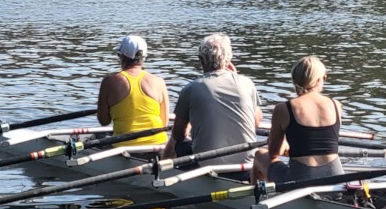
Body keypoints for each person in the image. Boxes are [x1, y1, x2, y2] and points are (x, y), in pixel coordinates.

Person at [163, 33, 263, 175]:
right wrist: (236, 76)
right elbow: (256, 121)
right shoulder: (247, 83)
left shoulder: (191, 89)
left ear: (202, 60)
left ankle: (161, 172)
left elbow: (179, 134)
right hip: (247, 165)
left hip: (207, 165)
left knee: (174, 139)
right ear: (229, 60)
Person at [252, 56, 343, 184]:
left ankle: (255, 200)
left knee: (259, 155)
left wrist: (285, 147)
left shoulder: (283, 109)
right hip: (336, 177)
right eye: (324, 78)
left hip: (300, 180)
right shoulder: (336, 105)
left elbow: (274, 152)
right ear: (318, 80)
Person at [97, 35, 169, 147]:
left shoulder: (109, 81)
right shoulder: (159, 82)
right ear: (143, 58)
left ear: (123, 57)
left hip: (124, 146)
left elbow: (104, 121)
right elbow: (164, 123)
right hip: (158, 144)